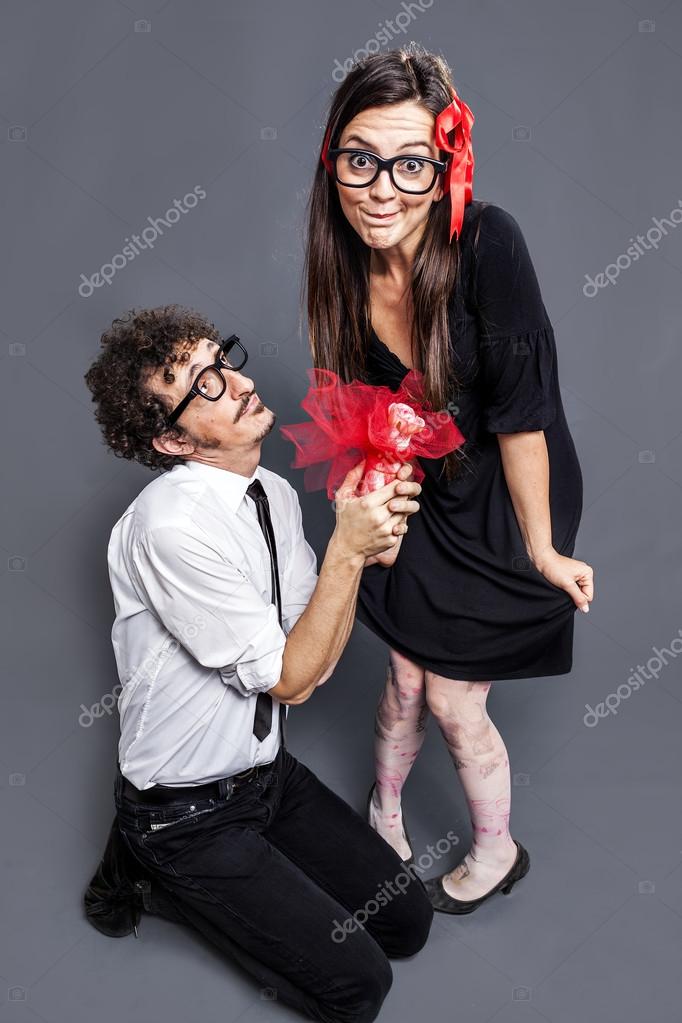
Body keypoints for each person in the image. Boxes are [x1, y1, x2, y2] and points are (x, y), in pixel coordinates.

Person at [304, 44, 594, 915]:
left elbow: (525, 415)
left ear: (446, 166)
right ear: (334, 160)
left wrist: (542, 548)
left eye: (410, 163)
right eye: (361, 159)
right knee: (402, 680)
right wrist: (367, 477)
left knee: (457, 704)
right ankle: (382, 815)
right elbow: (342, 394)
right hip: (418, 491)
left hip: (507, 494)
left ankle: (498, 850)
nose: (381, 188)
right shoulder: (338, 256)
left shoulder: (488, 242)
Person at [82, 304, 433, 1023]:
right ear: (172, 438)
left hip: (268, 778)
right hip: (185, 813)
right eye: (201, 385)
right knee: (357, 988)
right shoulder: (169, 526)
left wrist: (364, 545)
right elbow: (292, 676)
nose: (235, 382)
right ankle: (149, 871)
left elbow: (312, 661)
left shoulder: (269, 493)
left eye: (222, 361)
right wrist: (347, 548)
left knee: (406, 920)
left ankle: (227, 874)